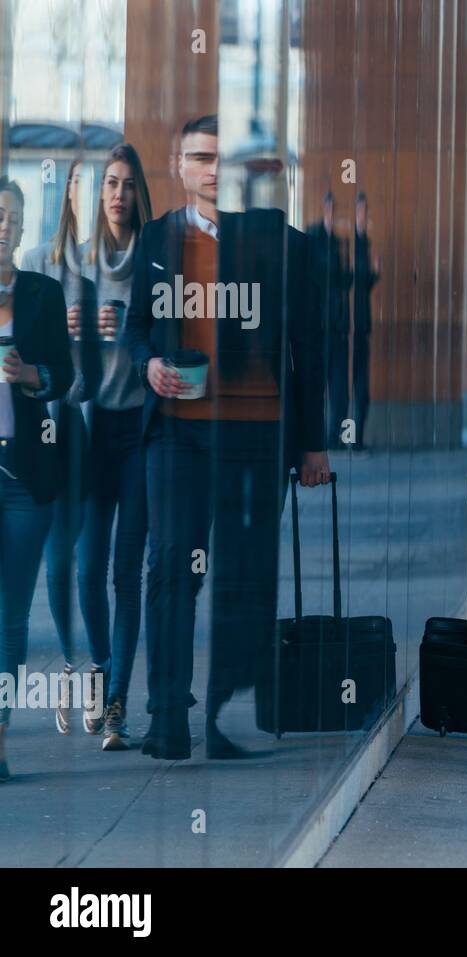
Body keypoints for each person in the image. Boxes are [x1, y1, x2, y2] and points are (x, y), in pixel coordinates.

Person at [124, 114, 328, 761]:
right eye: (199, 158)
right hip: (177, 434)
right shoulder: (156, 239)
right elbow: (134, 328)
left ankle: (219, 713)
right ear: (179, 167)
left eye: (220, 159)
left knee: (240, 579)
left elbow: (308, 349)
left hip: (253, 436)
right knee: (170, 569)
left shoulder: (278, 242)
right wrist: (147, 364)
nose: (210, 170)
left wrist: (313, 444)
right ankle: (166, 716)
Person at [19, 159, 103, 737]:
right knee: (55, 569)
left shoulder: (103, 274)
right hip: (42, 442)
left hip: (91, 436)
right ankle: (73, 669)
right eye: (81, 182)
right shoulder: (32, 270)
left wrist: (86, 342)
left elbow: (89, 382)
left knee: (88, 568)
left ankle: (96, 675)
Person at [0, 176, 76, 781]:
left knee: (10, 615)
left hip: (25, 476)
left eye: (11, 217)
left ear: (23, 229)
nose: (2, 225)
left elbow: (67, 377)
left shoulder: (43, 295)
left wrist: (31, 374)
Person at [79, 145, 153, 751]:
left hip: (141, 434)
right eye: (110, 183)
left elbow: (172, 330)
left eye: (127, 184)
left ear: (139, 194)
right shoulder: (79, 265)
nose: (118, 194)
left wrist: (128, 327)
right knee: (86, 571)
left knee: (126, 571)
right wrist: (71, 328)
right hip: (92, 428)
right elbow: (59, 364)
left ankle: (117, 708)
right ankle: (102, 672)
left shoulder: (155, 261)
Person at [308, 192, 353, 450]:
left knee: (338, 386)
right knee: (319, 382)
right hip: (322, 324)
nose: (332, 214)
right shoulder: (314, 237)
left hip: (337, 324)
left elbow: (342, 282)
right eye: (330, 209)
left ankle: (334, 436)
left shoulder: (338, 243)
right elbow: (316, 274)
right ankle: (318, 437)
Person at [350, 192, 379, 451]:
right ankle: (347, 438)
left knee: (362, 388)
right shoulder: (349, 245)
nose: (364, 216)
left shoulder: (364, 243)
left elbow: (362, 285)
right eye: (361, 211)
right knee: (346, 386)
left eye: (365, 212)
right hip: (349, 325)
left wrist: (374, 274)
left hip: (361, 323)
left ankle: (356, 438)